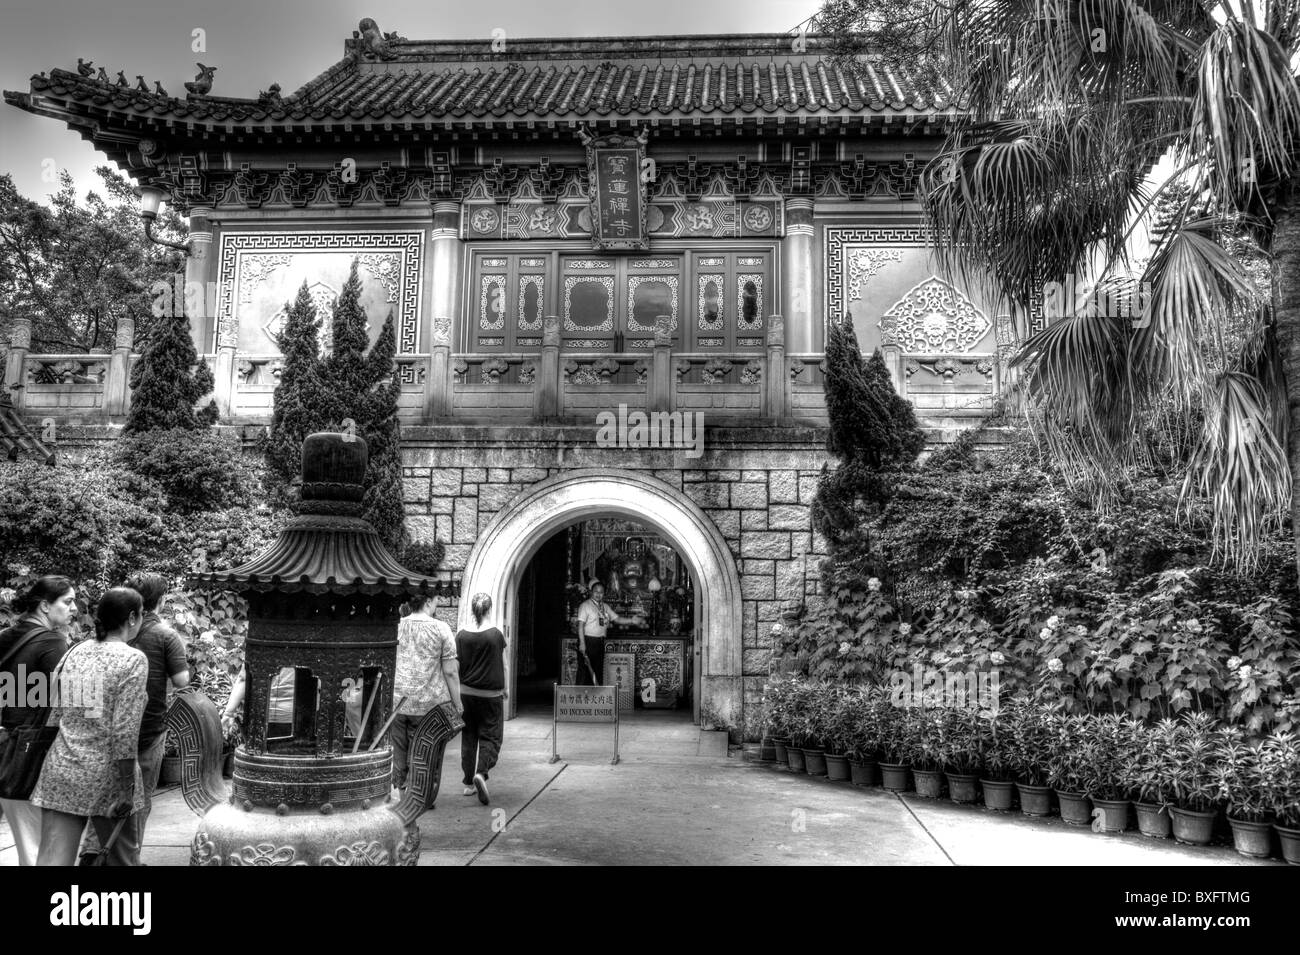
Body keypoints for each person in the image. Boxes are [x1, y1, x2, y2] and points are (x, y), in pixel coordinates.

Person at [31, 587, 149, 866]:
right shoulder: (133, 659)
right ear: (132, 618)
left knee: (52, 859)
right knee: (120, 859)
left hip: (63, 768)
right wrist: (126, 788)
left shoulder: (76, 651)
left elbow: (55, 710)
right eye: (142, 615)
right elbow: (125, 730)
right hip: (107, 777)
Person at [0, 577, 75, 866]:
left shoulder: (7, 636)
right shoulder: (52, 641)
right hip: (34, 755)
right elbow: (67, 700)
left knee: (28, 849)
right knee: (40, 852)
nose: (74, 609)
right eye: (67, 602)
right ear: (44, 605)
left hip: (7, 749)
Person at [391, 593, 461, 790]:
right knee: (425, 753)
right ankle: (422, 792)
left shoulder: (397, 626)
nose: (438, 603)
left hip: (398, 702)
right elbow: (450, 671)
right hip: (429, 704)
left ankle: (400, 790)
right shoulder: (441, 628)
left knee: (399, 751)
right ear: (428, 601)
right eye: (437, 599)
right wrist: (458, 703)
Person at [455, 594, 507, 805]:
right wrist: (506, 689)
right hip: (490, 695)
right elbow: (504, 664)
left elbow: (456, 666)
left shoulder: (461, 636)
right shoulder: (496, 635)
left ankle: (468, 783)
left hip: (466, 694)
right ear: (489, 610)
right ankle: (481, 772)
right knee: (491, 737)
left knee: (469, 738)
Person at [574, 582, 643, 686]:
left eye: (601, 592)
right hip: (587, 641)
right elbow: (580, 626)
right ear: (591, 592)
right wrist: (582, 644)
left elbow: (617, 619)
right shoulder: (585, 605)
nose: (598, 594)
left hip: (599, 642)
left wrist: (632, 621)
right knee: (585, 671)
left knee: (597, 670)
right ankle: (579, 697)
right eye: (596, 592)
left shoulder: (605, 606)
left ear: (604, 594)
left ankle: (596, 697)